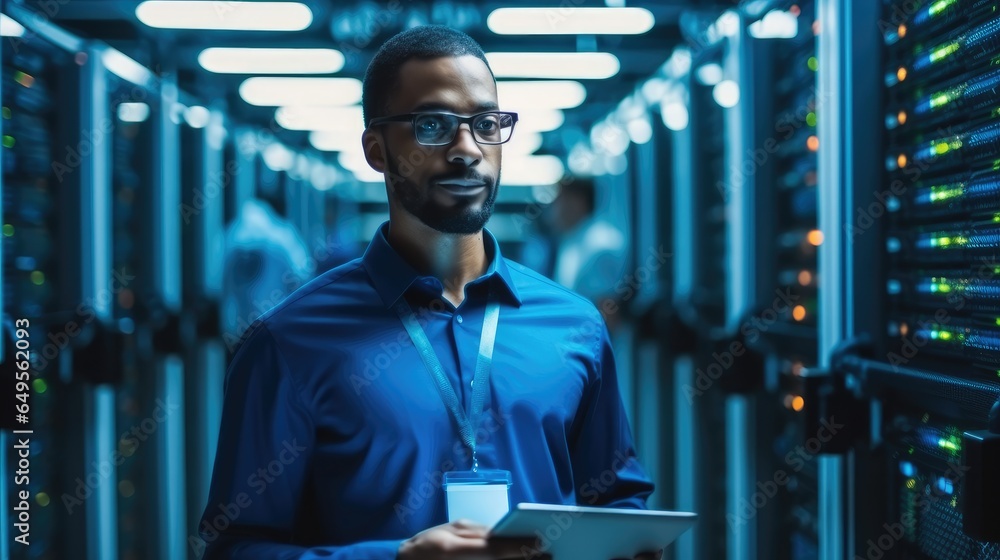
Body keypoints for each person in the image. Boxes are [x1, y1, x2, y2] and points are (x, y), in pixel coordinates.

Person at [199, 25, 659, 560]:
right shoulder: (290, 341)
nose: (467, 149)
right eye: (433, 125)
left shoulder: (574, 325)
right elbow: (237, 549)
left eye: (486, 124)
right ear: (376, 149)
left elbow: (619, 504)